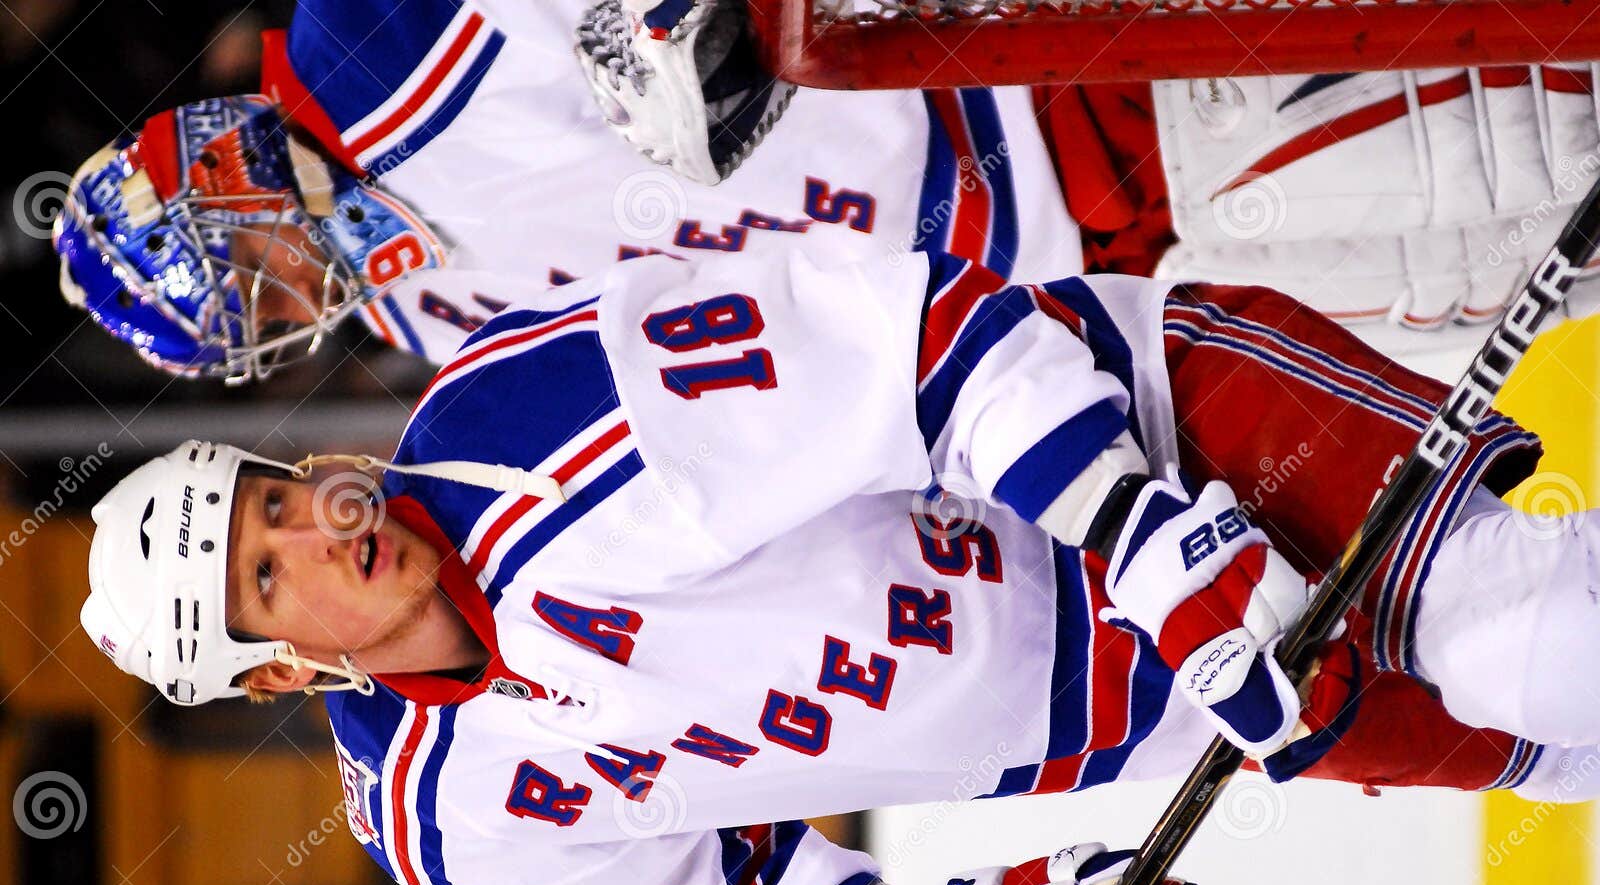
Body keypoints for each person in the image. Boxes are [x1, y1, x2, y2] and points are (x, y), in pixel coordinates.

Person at [77, 235, 1600, 885]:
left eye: (275, 504)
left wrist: (1142, 534)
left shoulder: (513, 425)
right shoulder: (442, 811)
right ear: (278, 676)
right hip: (1141, 704)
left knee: (1537, 647)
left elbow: (928, 342)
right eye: (267, 576)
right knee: (1553, 742)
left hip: (1163, 429)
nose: (316, 537)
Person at [52, 0, 1600, 384]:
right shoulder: (428, 317)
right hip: (1098, 277)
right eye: (257, 324)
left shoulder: (367, 45)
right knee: (1519, 265)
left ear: (222, 176)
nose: (287, 312)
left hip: (1051, 77)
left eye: (245, 279)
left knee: (1526, 121)